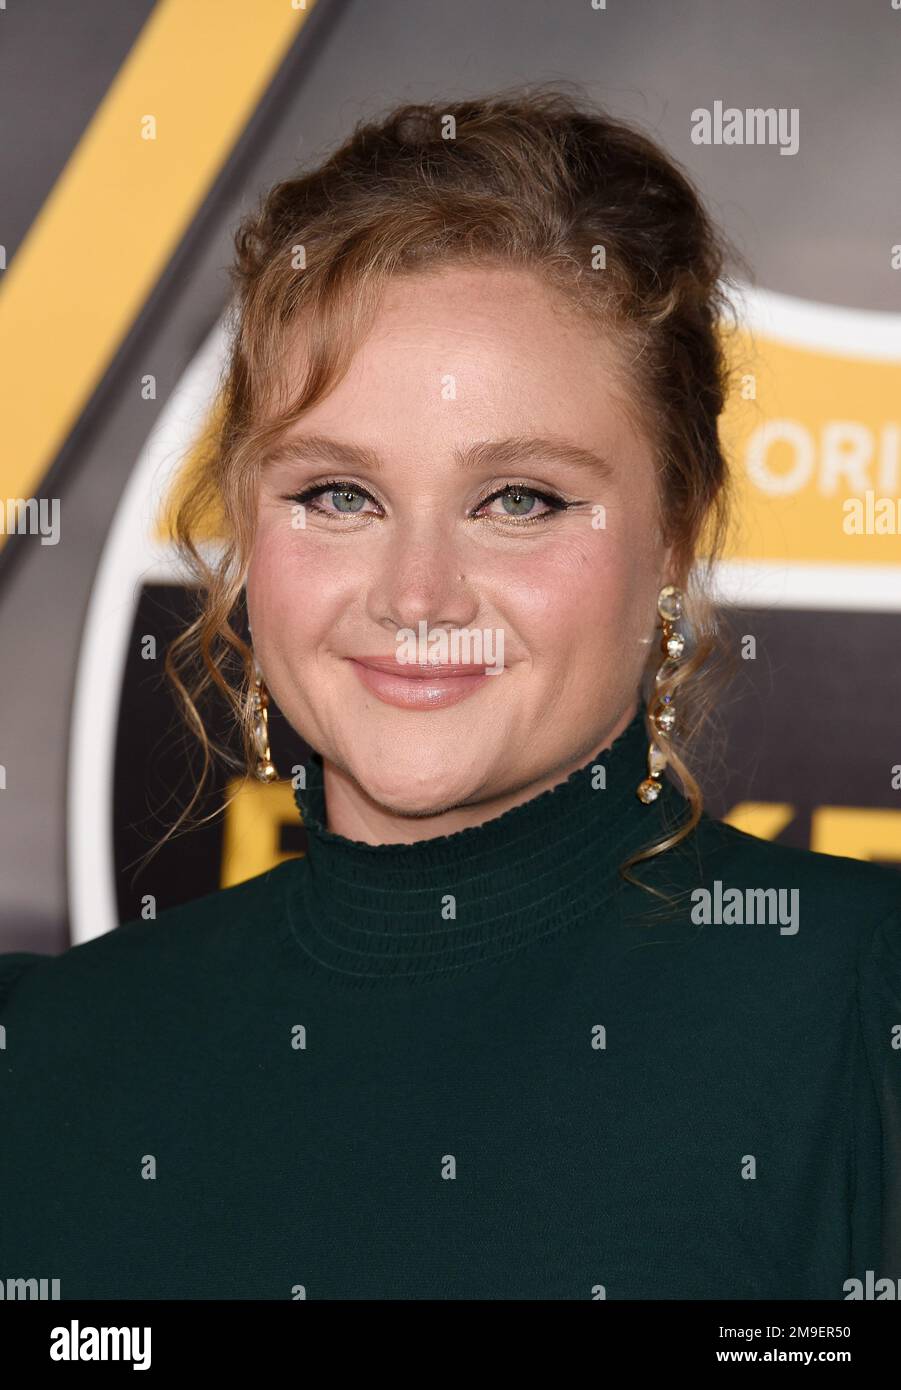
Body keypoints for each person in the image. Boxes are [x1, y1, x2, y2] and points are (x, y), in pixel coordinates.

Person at [1, 88, 899, 1301]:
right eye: (338, 494)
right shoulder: (44, 1054)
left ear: (674, 539)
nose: (416, 594)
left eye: (518, 499)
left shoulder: (860, 1012)